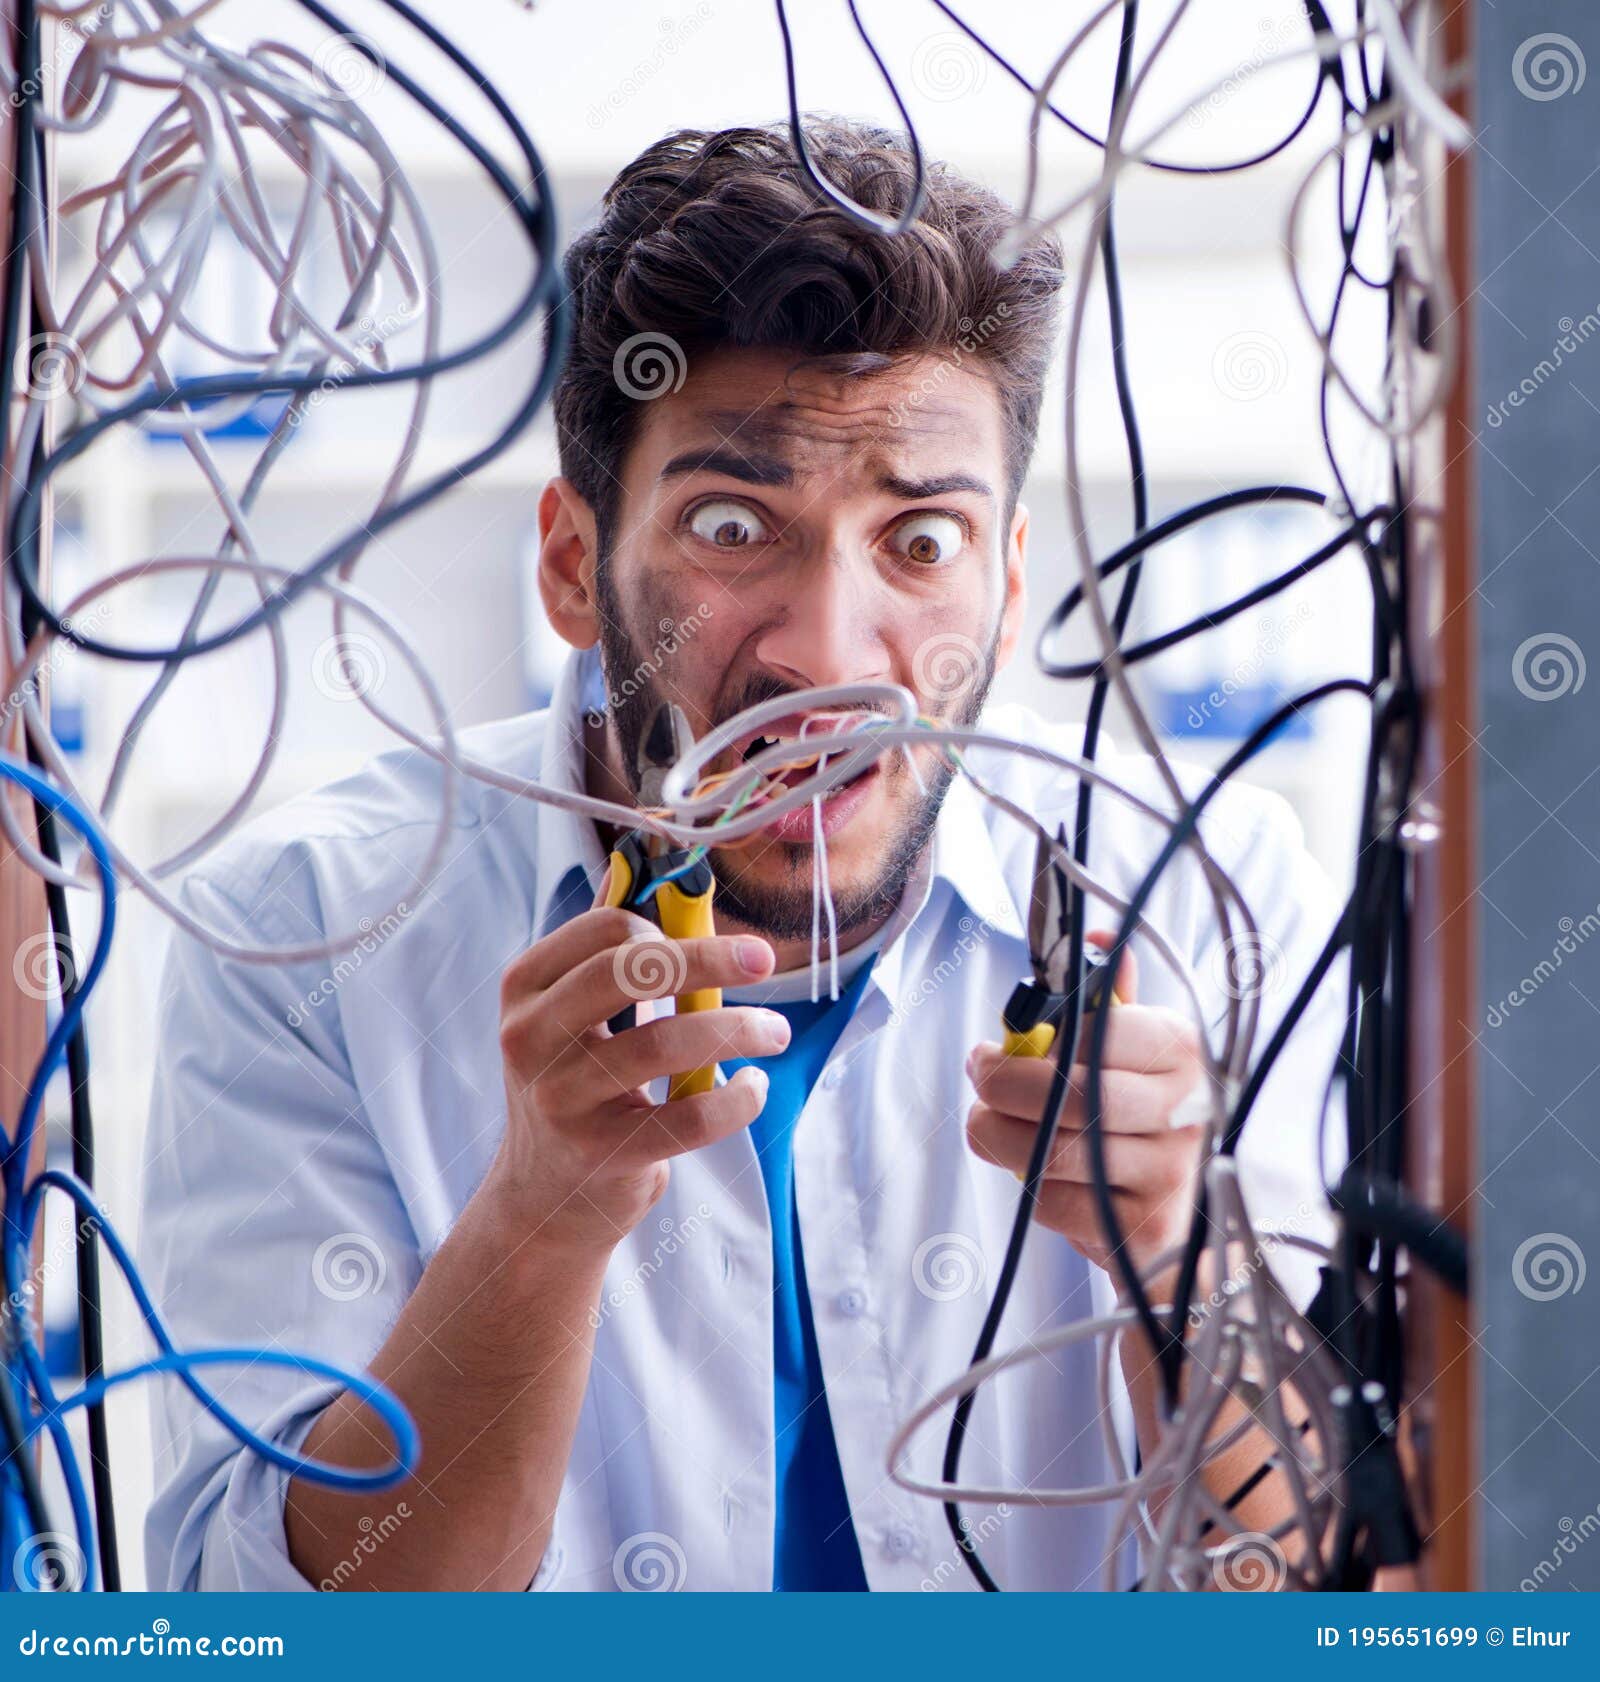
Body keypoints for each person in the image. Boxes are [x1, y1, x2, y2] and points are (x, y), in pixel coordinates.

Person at [143, 120, 1342, 1593]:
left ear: (1012, 579)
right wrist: (536, 1222)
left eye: (919, 543)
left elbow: (1329, 1587)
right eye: (732, 525)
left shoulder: (1215, 905)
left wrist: (1183, 1260)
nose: (826, 657)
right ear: (577, 564)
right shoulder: (309, 939)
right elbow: (263, 1626)